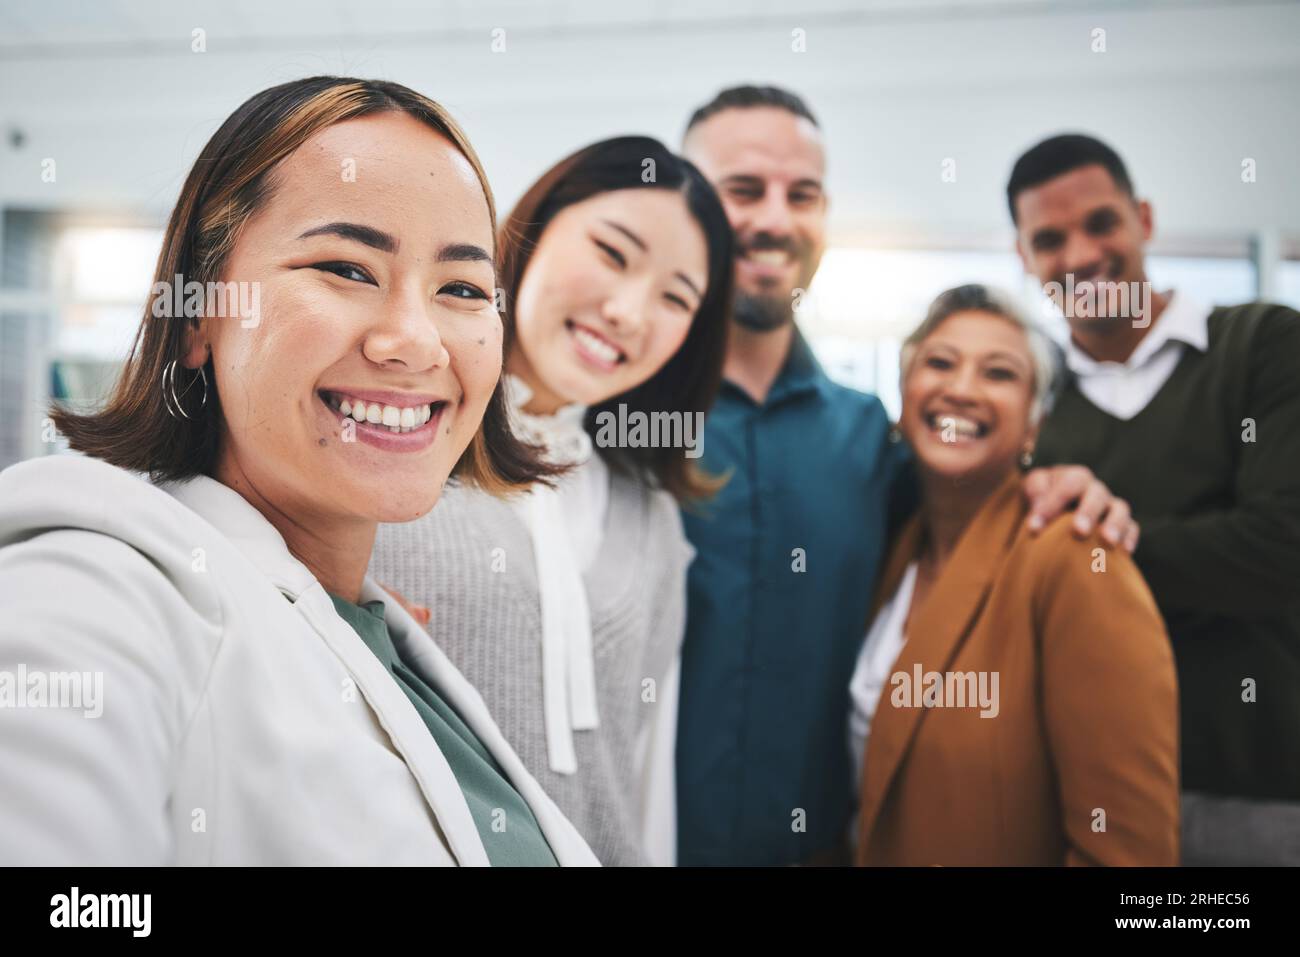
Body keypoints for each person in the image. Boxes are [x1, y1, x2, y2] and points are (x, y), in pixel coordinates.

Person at [0, 76, 598, 866]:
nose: (416, 341)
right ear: (198, 315)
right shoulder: (101, 578)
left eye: (461, 287)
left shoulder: (382, 638)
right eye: (347, 269)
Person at [674, 85, 1141, 866]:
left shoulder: (869, 440)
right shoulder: (611, 424)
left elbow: (974, 502)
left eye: (805, 194)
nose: (777, 220)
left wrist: (1064, 483)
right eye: (745, 190)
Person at [369, 137, 733, 865]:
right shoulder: (390, 442)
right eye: (612, 252)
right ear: (530, 231)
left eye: (675, 297)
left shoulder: (650, 519)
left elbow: (644, 773)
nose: (630, 310)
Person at [1008, 133, 1300, 865]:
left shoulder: (1262, 345)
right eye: (1050, 238)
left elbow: (1282, 548)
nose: (1078, 255)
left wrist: (1097, 544)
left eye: (1100, 222)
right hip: (1086, 795)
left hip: (1262, 790)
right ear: (1023, 257)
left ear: (1144, 218)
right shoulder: (1031, 407)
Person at [850, 284, 1179, 866]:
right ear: (903, 399)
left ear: (1034, 425)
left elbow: (1130, 857)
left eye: (998, 373)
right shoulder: (892, 545)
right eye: (940, 363)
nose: (961, 389)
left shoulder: (1077, 558)